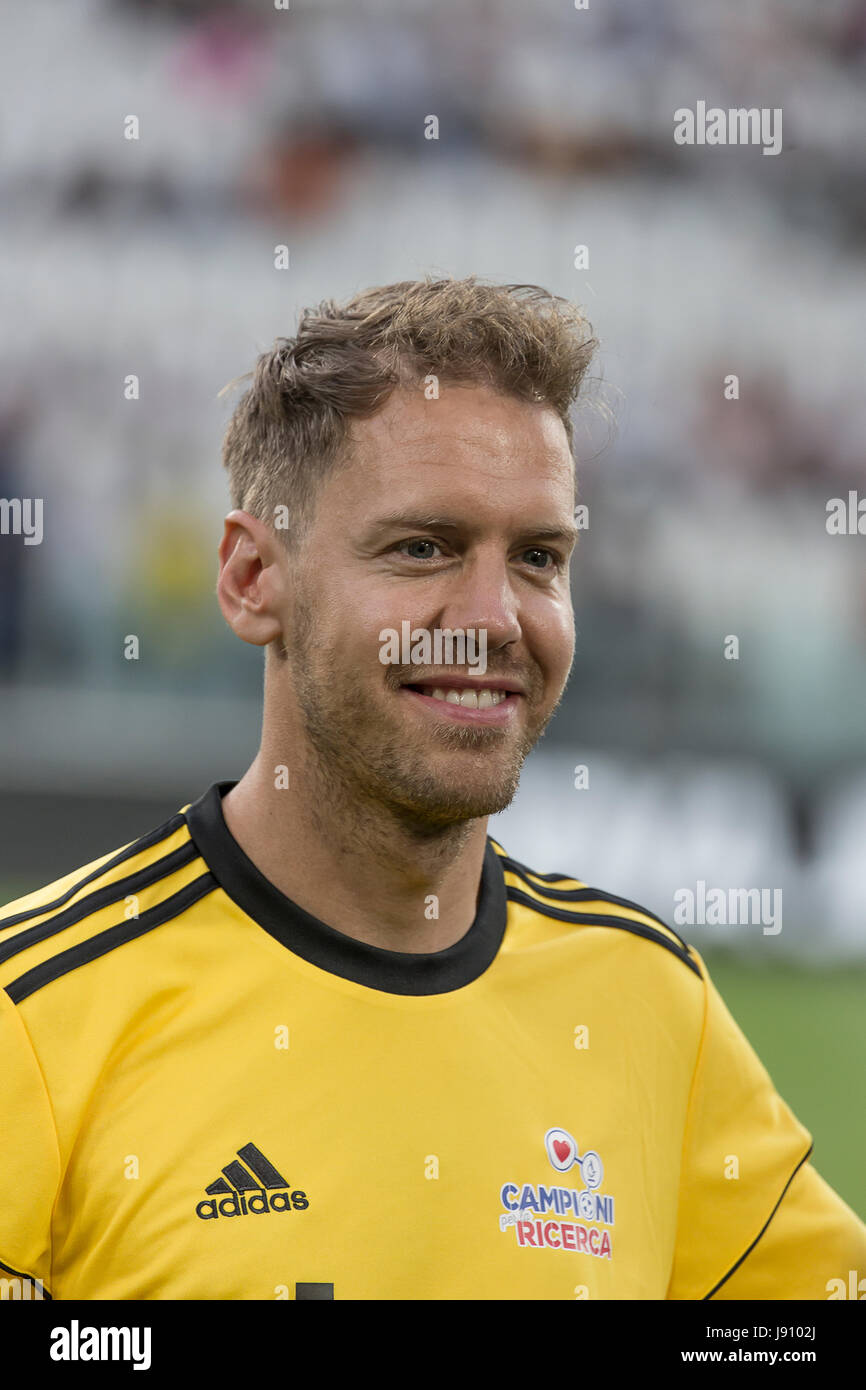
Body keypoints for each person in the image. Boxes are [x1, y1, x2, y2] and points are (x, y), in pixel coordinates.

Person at [1, 276, 864, 1301]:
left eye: (538, 557)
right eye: (423, 547)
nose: (493, 617)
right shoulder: (33, 1021)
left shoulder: (646, 1002)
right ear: (250, 580)